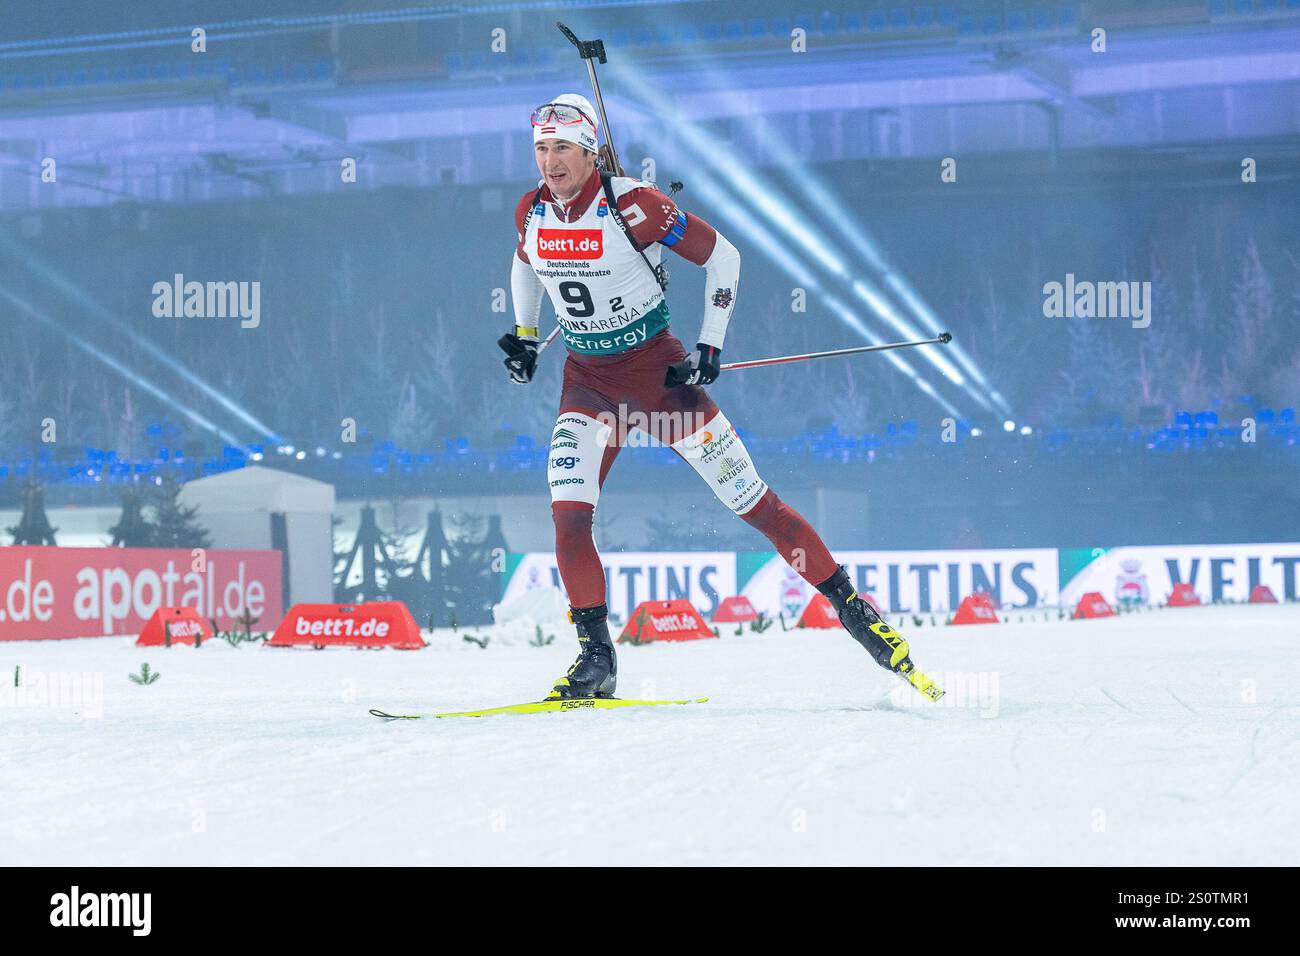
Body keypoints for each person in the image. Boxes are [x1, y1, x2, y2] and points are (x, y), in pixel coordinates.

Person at [500, 93, 912, 700]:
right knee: (568, 517)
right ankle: (597, 658)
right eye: (541, 148)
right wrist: (528, 337)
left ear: (589, 151)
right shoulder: (532, 210)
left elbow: (724, 258)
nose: (550, 162)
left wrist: (709, 346)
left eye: (562, 147)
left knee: (754, 506)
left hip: (660, 382)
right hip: (588, 386)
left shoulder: (634, 205)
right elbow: (525, 266)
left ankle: (854, 610)